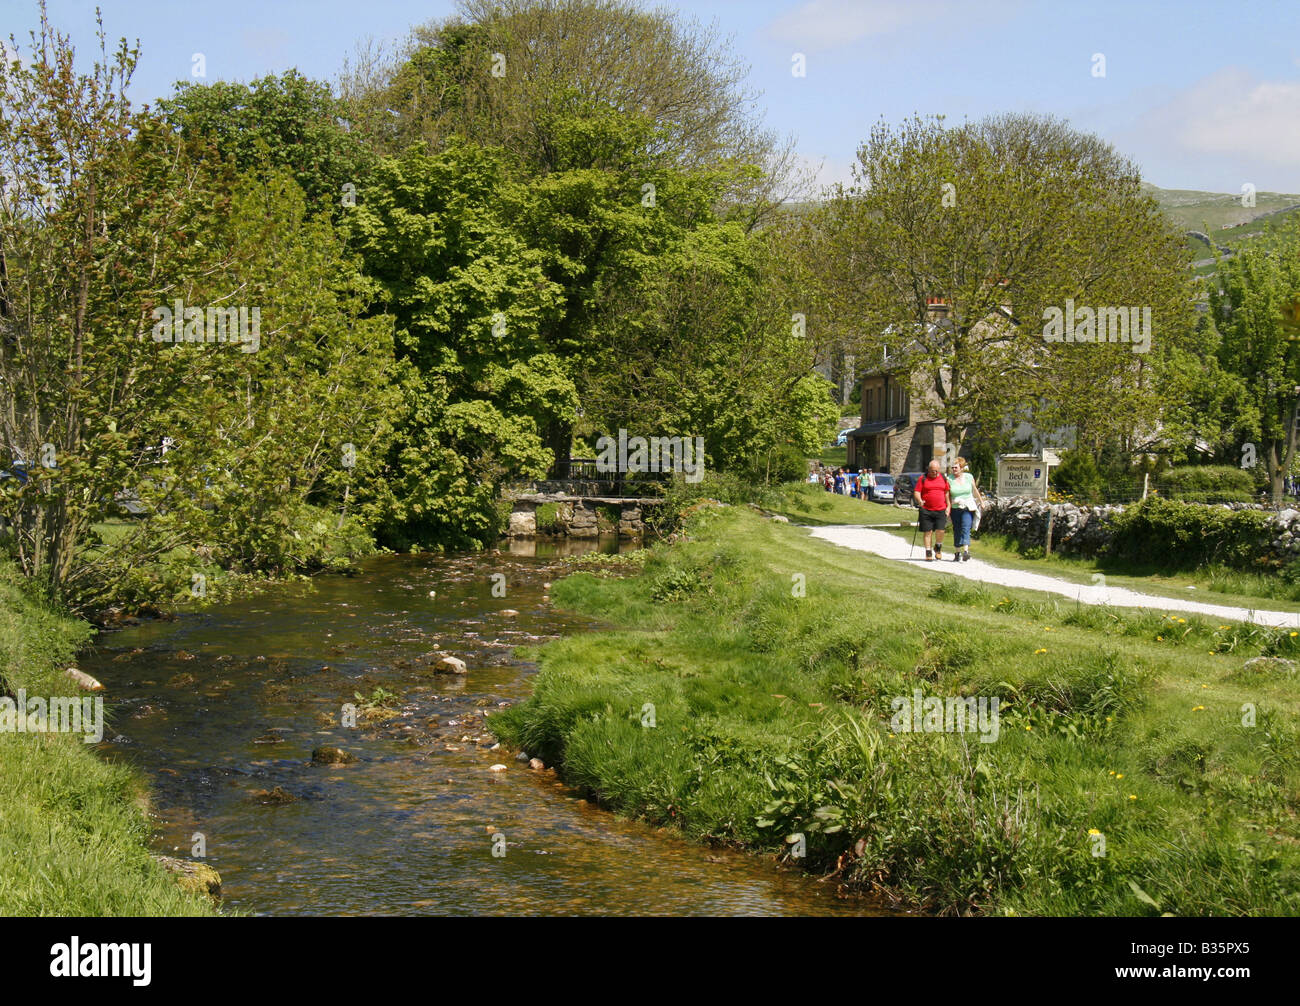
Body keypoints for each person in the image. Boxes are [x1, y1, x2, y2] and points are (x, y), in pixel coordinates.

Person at [946, 457, 985, 561]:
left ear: (961, 468)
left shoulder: (969, 477)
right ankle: (957, 552)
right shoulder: (949, 479)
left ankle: (966, 551)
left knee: (966, 527)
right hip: (955, 507)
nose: (954, 469)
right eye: (953, 467)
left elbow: (975, 490)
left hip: (967, 507)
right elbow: (947, 495)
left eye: (956, 467)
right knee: (957, 529)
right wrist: (948, 507)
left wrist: (981, 501)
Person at [912, 459, 951, 561]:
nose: (935, 473)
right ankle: (928, 552)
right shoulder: (923, 478)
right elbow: (917, 492)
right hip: (926, 509)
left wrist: (948, 505)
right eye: (933, 471)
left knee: (941, 530)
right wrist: (920, 500)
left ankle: (938, 547)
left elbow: (946, 492)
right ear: (929, 469)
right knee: (928, 531)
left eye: (937, 471)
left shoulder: (943, 478)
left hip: (940, 509)